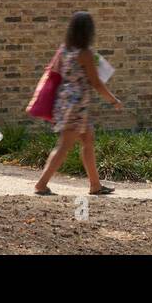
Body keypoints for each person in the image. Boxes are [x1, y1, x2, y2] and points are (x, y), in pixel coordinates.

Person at [34, 11, 123, 196]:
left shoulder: (64, 50)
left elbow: (55, 73)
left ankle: (95, 185)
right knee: (64, 145)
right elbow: (96, 82)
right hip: (77, 104)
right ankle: (41, 184)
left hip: (66, 100)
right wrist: (113, 100)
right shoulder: (85, 53)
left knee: (88, 140)